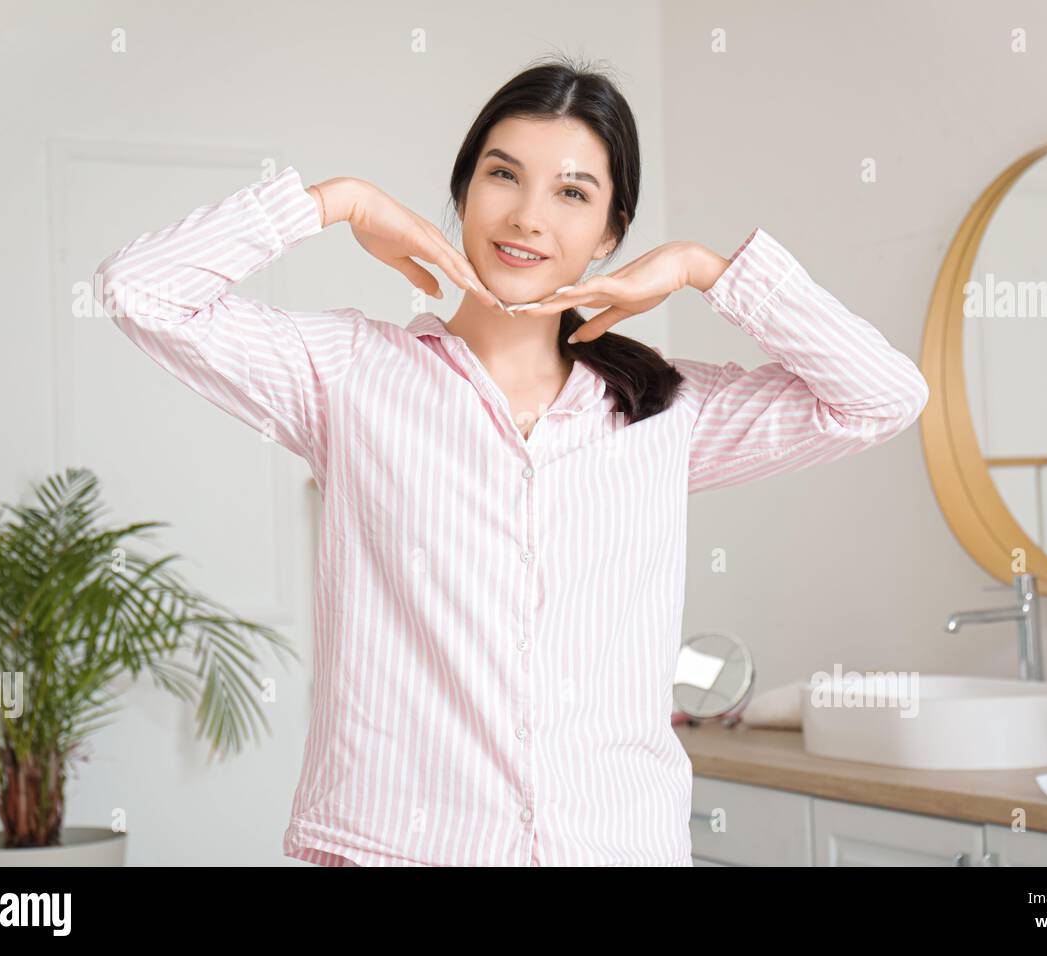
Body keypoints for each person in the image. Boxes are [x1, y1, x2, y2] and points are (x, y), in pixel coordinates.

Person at [93, 54, 930, 867]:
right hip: (404, 847)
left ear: (612, 232)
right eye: (503, 176)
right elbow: (140, 289)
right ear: (462, 192)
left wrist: (701, 269)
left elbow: (884, 397)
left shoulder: (666, 410)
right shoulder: (349, 376)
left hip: (616, 846)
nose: (529, 216)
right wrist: (337, 201)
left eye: (573, 192)